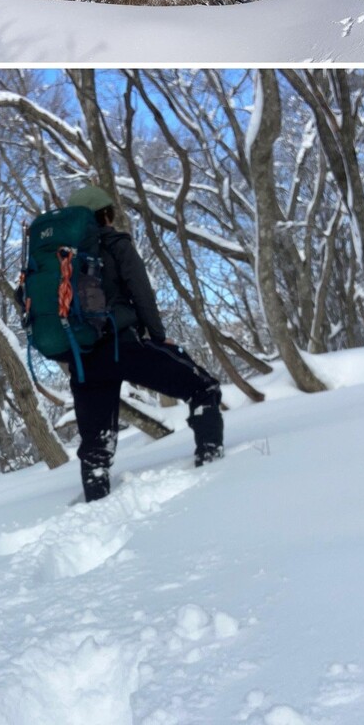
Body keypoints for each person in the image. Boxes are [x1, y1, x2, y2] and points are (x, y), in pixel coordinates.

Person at [56, 184, 224, 502]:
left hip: (83, 359)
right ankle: (212, 465)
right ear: (105, 215)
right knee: (204, 388)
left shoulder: (58, 256)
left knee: (96, 441)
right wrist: (159, 338)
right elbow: (141, 292)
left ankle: (95, 501)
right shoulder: (115, 244)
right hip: (124, 347)